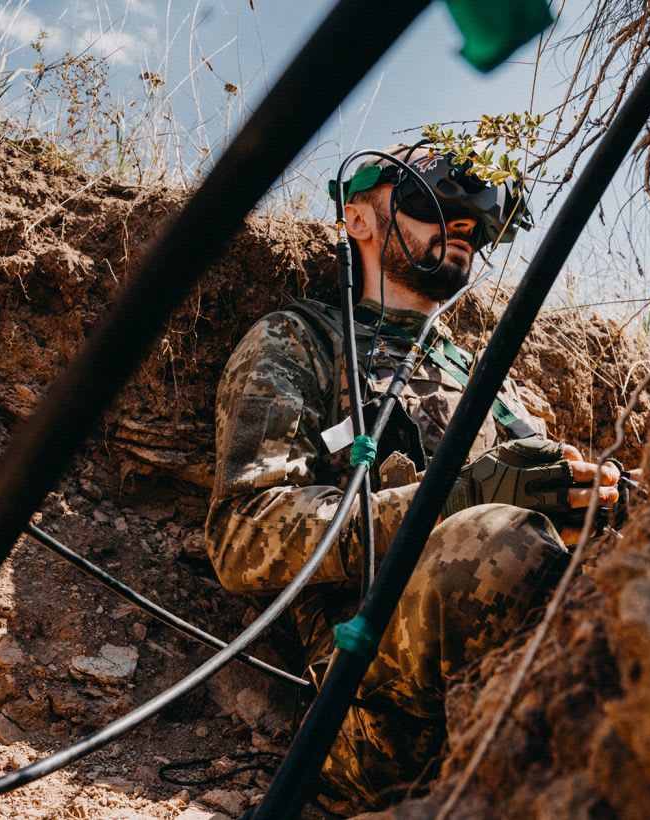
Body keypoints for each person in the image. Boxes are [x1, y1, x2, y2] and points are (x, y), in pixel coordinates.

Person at [204, 145, 624, 810]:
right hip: (370, 715)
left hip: (527, 683)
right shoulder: (300, 341)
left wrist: (601, 501)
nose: (462, 228)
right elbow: (242, 536)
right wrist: (455, 497)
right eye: (434, 207)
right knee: (496, 539)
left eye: (474, 226)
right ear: (360, 220)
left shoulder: (486, 380)